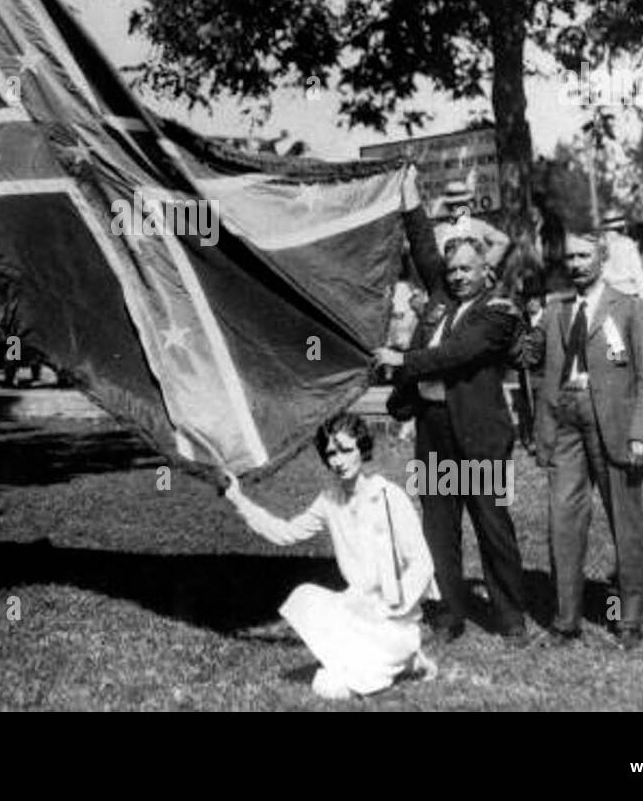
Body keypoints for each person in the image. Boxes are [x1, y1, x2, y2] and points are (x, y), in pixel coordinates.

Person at [373, 165, 529, 645]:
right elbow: (422, 245)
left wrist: (403, 361)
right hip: (435, 427)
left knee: (491, 525)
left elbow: (455, 354)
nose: (458, 276)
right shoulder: (440, 293)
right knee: (438, 526)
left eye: (468, 269)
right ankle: (449, 613)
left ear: (488, 271)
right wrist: (410, 197)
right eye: (454, 269)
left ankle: (511, 618)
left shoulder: (499, 312)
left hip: (478, 434)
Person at [224, 412, 438, 700]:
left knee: (335, 686)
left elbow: (422, 564)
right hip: (357, 608)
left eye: (346, 450)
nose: (339, 461)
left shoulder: (389, 496)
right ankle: (397, 662)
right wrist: (239, 500)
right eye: (331, 454)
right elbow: (285, 532)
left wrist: (390, 608)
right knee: (304, 598)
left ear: (361, 450)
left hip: (394, 618)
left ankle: (406, 655)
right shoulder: (329, 499)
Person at [526, 228, 643, 650]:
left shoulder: (629, 308)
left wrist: (642, 433)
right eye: (569, 258)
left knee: (624, 522)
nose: (575, 264)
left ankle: (629, 620)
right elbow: (528, 360)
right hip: (564, 420)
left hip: (614, 425)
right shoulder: (555, 311)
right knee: (563, 520)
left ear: (602, 257)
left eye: (583, 256)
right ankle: (566, 620)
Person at [431, 179, 511, 272]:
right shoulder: (438, 231)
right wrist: (486, 263)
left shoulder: (438, 231)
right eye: (453, 206)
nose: (454, 209)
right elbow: (503, 241)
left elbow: (503, 241)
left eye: (457, 205)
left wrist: (485, 262)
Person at [598, 208, 643, 299]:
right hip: (628, 291)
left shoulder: (600, 245)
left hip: (608, 293)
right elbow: (637, 271)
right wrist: (642, 293)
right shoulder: (627, 243)